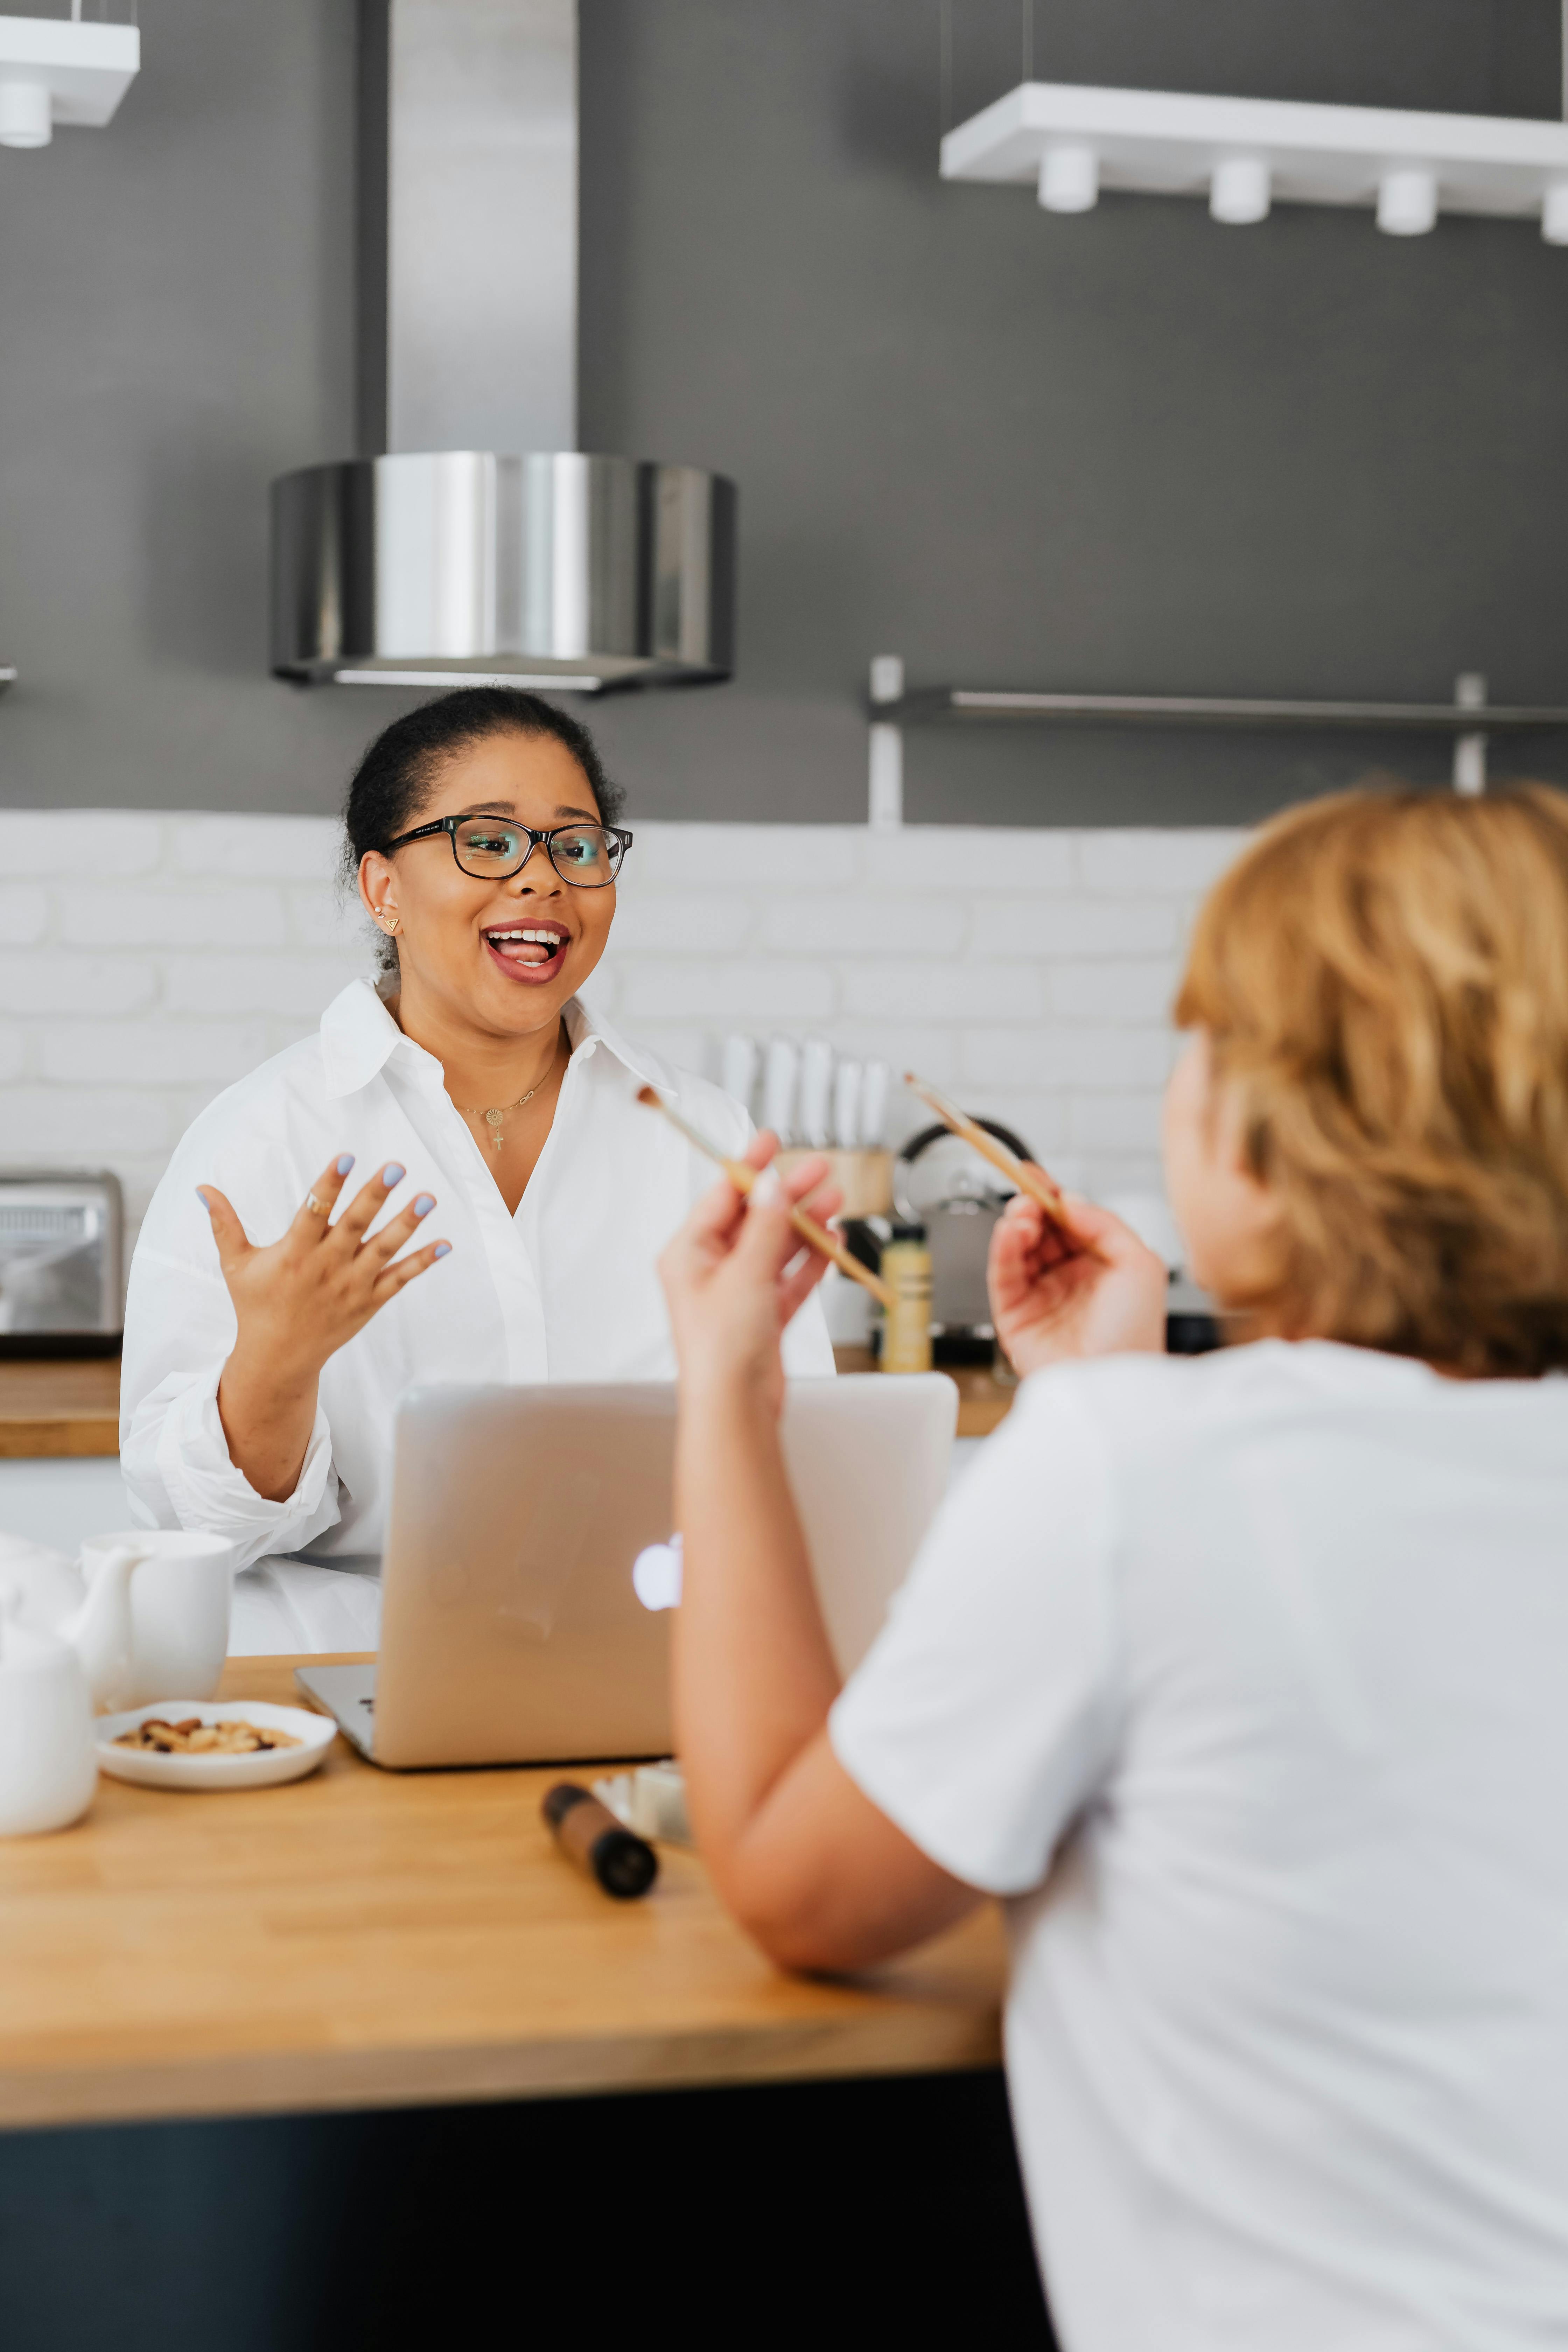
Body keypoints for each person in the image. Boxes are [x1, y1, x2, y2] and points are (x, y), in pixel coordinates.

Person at [657, 784, 1568, 2351]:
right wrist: (1105, 1393)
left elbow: (793, 1885)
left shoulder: (1130, 1482)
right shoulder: (1139, 1461)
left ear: (1279, 1136)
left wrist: (730, 1383)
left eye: (1198, 1040)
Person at [121, 688, 832, 1650]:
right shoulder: (264, 1139)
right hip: (344, 1671)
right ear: (383, 891)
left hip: (648, 1662)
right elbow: (192, 1533)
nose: (542, 881)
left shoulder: (702, 1138)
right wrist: (276, 1366)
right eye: (487, 842)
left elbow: (809, 1458)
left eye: (576, 846)